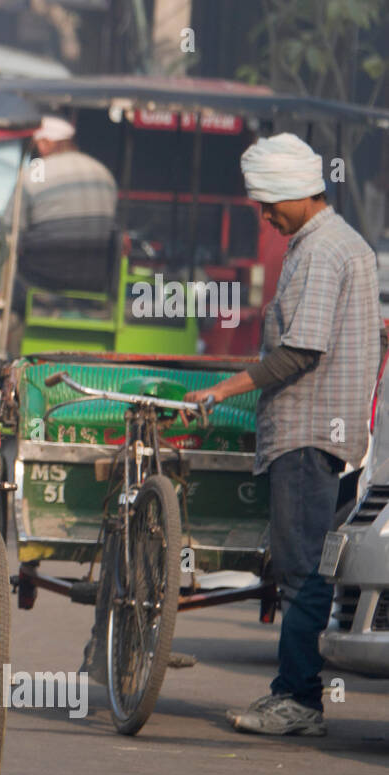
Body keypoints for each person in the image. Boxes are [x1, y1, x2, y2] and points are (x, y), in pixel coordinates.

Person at [181, 132, 382, 736]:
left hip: (307, 430)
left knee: (301, 573)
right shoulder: (338, 243)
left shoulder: (321, 252)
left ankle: (297, 699)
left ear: (297, 193)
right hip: (329, 430)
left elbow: (300, 352)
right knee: (308, 569)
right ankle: (297, 694)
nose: (263, 214)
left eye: (267, 202)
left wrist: (223, 390)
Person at [15, 115, 118, 295]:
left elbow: (12, 231)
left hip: (43, 279)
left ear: (46, 142)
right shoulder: (104, 174)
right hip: (95, 282)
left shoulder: (35, 172)